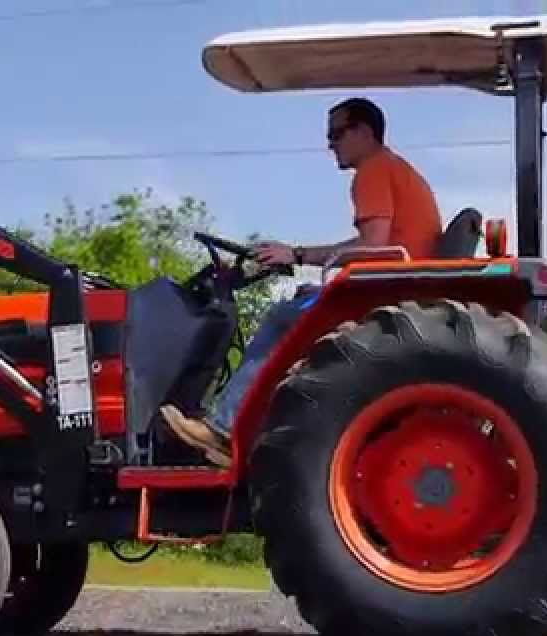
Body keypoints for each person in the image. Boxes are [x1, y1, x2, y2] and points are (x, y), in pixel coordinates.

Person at [159, 97, 443, 466]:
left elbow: (375, 247)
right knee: (300, 301)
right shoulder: (394, 169)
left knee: (282, 317)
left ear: (364, 132)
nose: (330, 144)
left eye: (337, 134)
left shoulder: (373, 170)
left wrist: (295, 254)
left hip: (390, 285)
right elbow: (381, 246)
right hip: (395, 282)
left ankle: (224, 429)